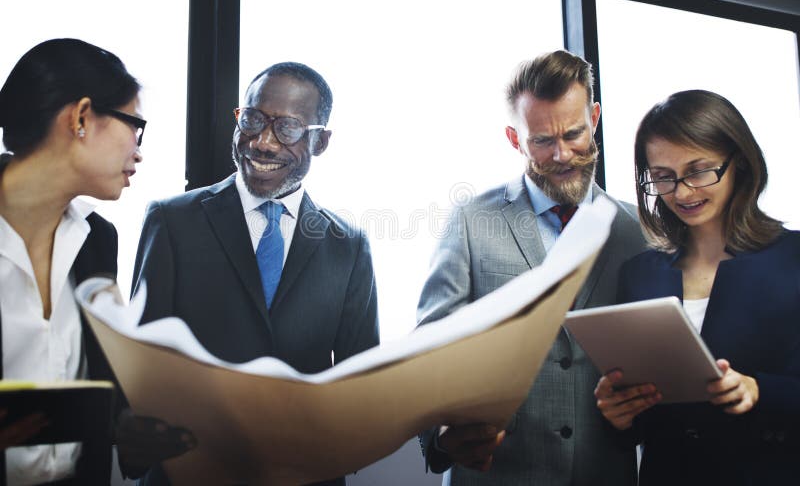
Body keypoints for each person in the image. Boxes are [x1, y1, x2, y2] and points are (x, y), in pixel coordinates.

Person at [131, 61, 379, 485]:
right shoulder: (172, 221)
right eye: (252, 120)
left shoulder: (348, 246)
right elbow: (141, 364)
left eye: (288, 128)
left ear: (320, 141)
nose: (263, 142)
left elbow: (360, 384)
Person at [416, 49, 646, 485]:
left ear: (594, 118)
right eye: (541, 140)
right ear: (514, 138)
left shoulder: (639, 232)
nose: (562, 155)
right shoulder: (470, 221)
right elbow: (431, 347)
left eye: (574, 133)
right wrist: (442, 436)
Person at [594, 89, 800, 485]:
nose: (682, 192)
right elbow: (641, 424)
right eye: (663, 177)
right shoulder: (639, 274)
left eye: (699, 170)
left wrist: (760, 391)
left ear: (740, 162)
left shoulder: (792, 259)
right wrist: (618, 414)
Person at [0, 38, 146, 484]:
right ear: (81, 117)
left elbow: (102, 391)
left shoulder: (98, 240)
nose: (139, 151)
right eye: (135, 126)